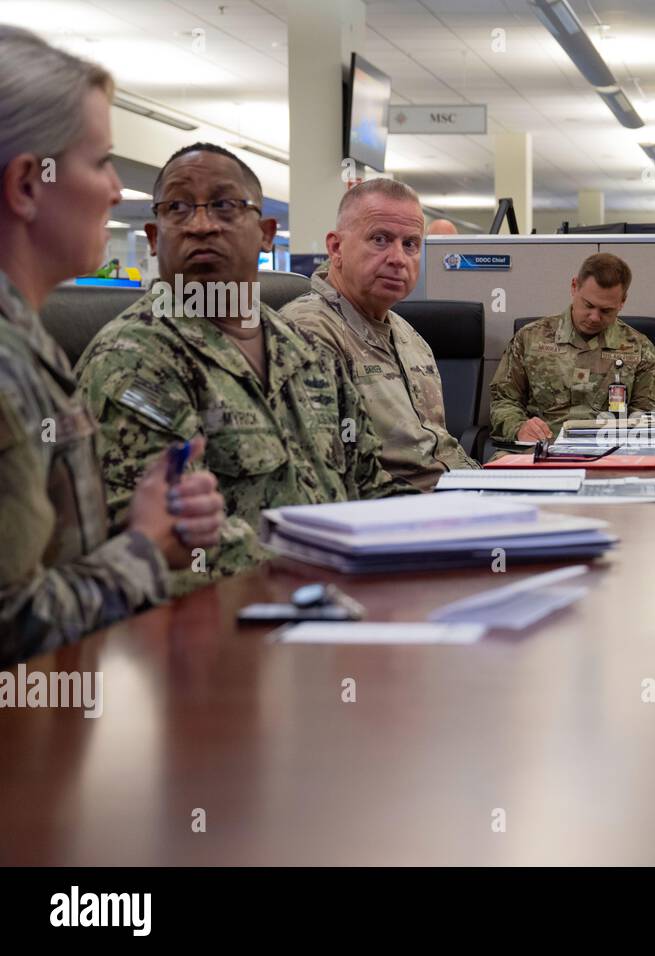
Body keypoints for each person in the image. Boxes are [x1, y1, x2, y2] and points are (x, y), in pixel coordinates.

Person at [76, 142, 411, 580]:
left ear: (266, 234)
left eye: (224, 206)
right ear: (156, 237)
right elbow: (169, 548)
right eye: (178, 208)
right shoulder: (133, 361)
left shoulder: (308, 353)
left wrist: (443, 537)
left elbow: (369, 488)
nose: (201, 225)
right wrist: (328, 568)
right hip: (221, 621)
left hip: (335, 607)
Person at [0, 27, 224, 664]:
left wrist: (144, 523)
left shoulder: (25, 341)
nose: (114, 191)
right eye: (100, 162)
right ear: (25, 185)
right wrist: (147, 548)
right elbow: (13, 628)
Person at [280, 179, 478, 489]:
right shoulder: (309, 332)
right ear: (335, 247)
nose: (398, 258)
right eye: (380, 239)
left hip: (460, 492)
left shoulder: (407, 334)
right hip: (400, 515)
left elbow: (440, 448)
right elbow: (330, 477)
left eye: (410, 244)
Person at [489, 252, 655, 443]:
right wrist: (518, 427)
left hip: (609, 454)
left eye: (606, 310)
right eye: (588, 305)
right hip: (540, 450)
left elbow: (650, 416)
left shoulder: (639, 349)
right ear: (574, 287)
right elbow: (503, 400)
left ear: (622, 302)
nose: (594, 317)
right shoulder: (530, 338)